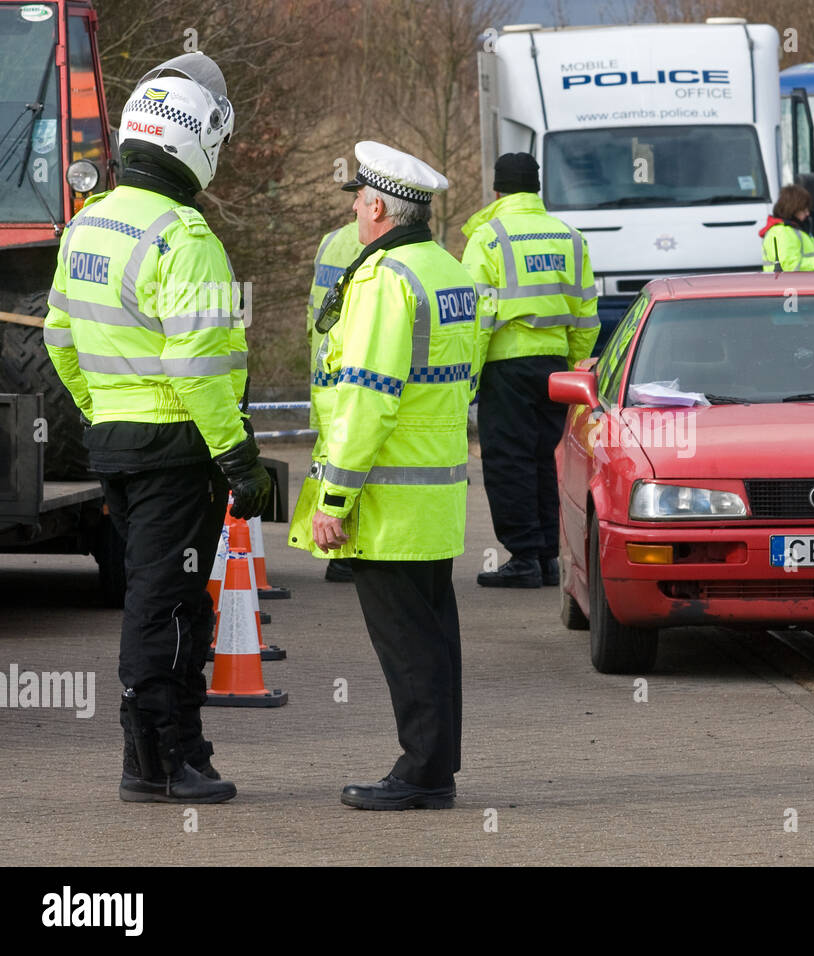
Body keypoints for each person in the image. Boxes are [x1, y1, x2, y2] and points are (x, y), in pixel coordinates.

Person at [43, 53, 271, 804]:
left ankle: (176, 751)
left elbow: (59, 338)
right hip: (178, 449)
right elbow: (201, 368)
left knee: (157, 596)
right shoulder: (186, 237)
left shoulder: (88, 225)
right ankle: (159, 760)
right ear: (194, 142)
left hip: (117, 441)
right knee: (169, 604)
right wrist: (238, 458)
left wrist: (99, 409)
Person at [289, 141, 476, 810]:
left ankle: (422, 773)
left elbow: (366, 399)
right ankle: (435, 766)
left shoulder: (383, 280)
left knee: (407, 643)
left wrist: (334, 498)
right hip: (436, 492)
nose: (357, 215)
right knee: (435, 635)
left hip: (389, 499)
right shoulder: (446, 271)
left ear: (374, 207)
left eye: (360, 204)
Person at [462, 152, 598, 589]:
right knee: (549, 459)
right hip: (557, 369)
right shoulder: (570, 237)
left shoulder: (489, 237)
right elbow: (586, 313)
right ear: (537, 189)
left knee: (509, 461)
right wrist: (571, 363)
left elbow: (477, 316)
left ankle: (524, 557)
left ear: (497, 191)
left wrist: (469, 375)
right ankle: (547, 556)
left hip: (505, 367)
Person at [304, 219, 362, 583]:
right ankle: (344, 555)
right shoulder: (377, 244)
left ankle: (336, 555)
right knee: (354, 458)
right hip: (352, 362)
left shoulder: (330, 239)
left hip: (324, 361)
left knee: (332, 455)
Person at [760, 183, 814, 271]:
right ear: (793, 208)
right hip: (794, 284)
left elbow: (807, 251)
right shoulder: (782, 232)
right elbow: (790, 266)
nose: (807, 213)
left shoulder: (792, 230)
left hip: (803, 283)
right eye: (804, 209)